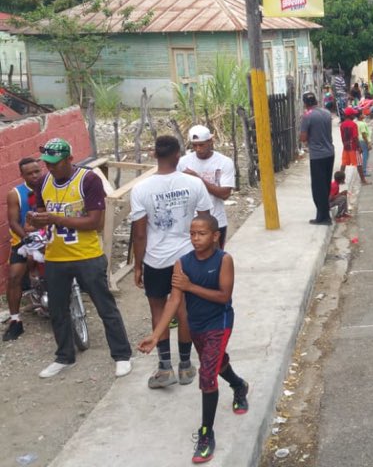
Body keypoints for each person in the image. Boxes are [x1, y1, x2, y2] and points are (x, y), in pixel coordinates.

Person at [139, 215, 249, 464]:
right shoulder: (182, 263)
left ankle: (205, 434)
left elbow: (223, 296)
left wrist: (191, 287)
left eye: (201, 233)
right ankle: (239, 386)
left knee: (207, 376)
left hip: (219, 324)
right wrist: (156, 336)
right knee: (218, 364)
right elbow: (174, 301)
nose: (196, 238)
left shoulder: (224, 260)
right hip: (196, 325)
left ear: (215, 235)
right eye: (192, 233)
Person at [30, 138, 133, 379]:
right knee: (57, 309)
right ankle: (64, 356)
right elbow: (44, 212)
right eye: (47, 163)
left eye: (55, 163)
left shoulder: (88, 180)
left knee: (105, 306)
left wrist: (56, 219)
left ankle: (121, 355)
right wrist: (36, 220)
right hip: (56, 256)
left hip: (87, 255)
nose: (51, 168)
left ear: (69, 159)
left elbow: (94, 222)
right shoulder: (44, 181)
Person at [131, 135, 214, 389]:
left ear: (155, 155)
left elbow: (140, 233)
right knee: (185, 309)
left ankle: (165, 368)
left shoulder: (141, 189)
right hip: (188, 256)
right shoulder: (194, 184)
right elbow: (205, 222)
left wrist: (138, 264)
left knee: (158, 309)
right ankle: (187, 366)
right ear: (179, 154)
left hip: (156, 259)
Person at [3, 157, 44, 341]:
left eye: (37, 171)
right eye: (30, 173)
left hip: (48, 235)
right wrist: (27, 239)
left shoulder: (50, 186)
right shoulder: (16, 193)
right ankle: (15, 320)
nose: (35, 175)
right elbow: (13, 222)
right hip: (23, 237)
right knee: (13, 277)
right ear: (22, 175)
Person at [178, 125, 235, 249]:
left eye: (202, 145)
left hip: (216, 221)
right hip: (189, 223)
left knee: (214, 261)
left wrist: (198, 179)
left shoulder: (224, 162)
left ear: (210, 142)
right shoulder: (183, 162)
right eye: (195, 145)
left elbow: (225, 194)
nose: (198, 149)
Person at [299, 93, 336, 225]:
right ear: (316, 101)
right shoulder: (326, 113)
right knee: (325, 185)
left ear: (305, 103)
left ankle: (324, 217)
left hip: (317, 155)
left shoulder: (307, 116)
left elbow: (303, 138)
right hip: (330, 152)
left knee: (318, 187)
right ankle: (323, 214)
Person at [339, 107, 371, 186]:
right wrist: (359, 147)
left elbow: (342, 137)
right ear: (350, 115)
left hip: (346, 147)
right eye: (353, 114)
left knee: (343, 163)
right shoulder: (353, 124)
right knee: (359, 164)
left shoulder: (342, 125)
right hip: (353, 147)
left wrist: (344, 145)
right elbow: (355, 137)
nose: (355, 115)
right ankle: (363, 180)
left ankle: (340, 180)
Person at [356, 109, 372, 177]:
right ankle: (364, 171)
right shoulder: (362, 124)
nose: (364, 115)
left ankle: (363, 169)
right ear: (360, 116)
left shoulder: (357, 123)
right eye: (362, 114)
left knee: (363, 155)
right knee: (365, 155)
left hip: (359, 140)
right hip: (363, 141)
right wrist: (368, 143)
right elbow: (364, 134)